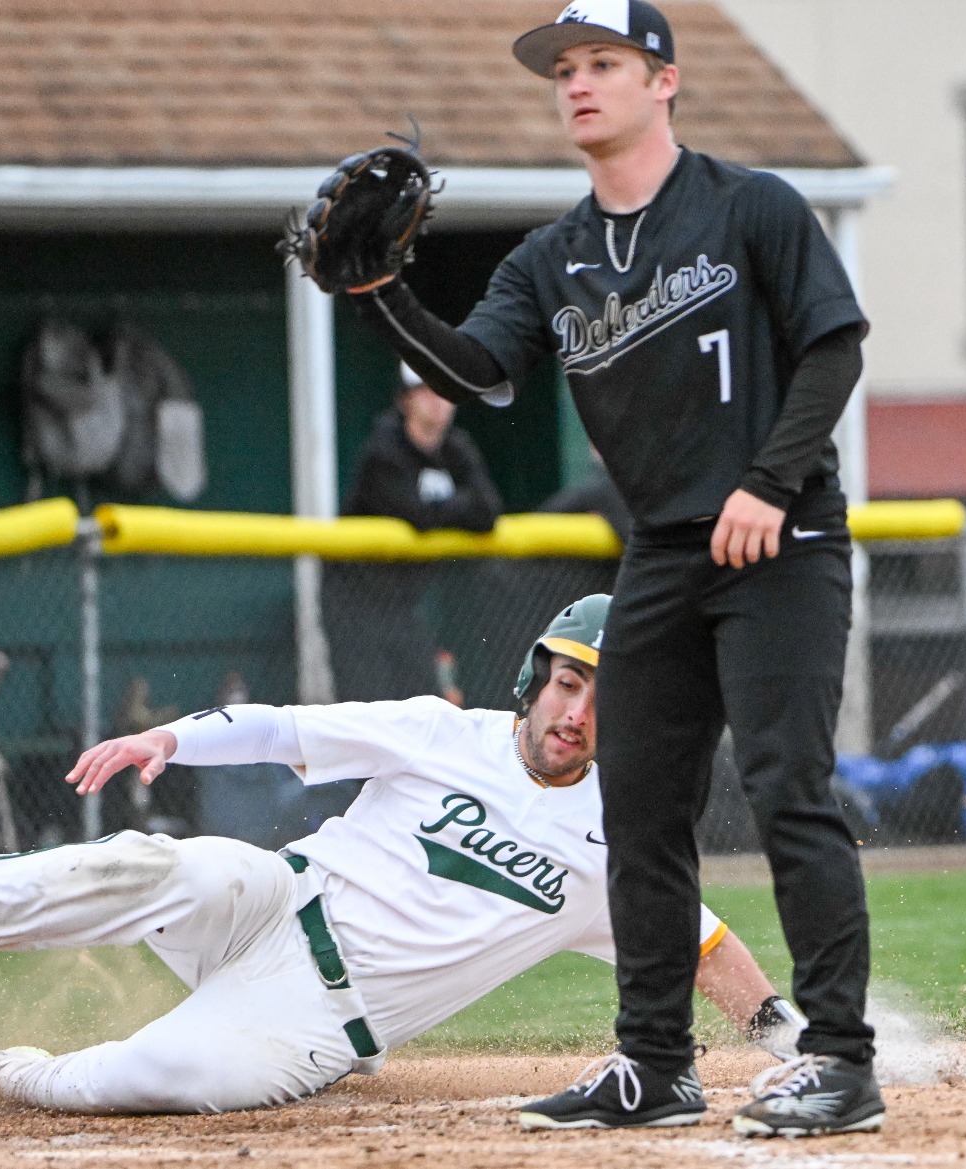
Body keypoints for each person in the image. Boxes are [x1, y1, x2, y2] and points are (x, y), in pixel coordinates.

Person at [332, 0, 880, 1137]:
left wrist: (771, 482)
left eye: (604, 63)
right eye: (565, 68)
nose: (578, 83)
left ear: (662, 80)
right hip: (666, 555)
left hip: (781, 538)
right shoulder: (555, 257)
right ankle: (654, 1065)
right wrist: (378, 295)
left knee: (787, 784)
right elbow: (480, 369)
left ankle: (838, 1056)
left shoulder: (749, 208)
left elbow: (833, 342)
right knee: (634, 807)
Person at [0, 595, 808, 1115]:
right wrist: (168, 737)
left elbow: (702, 945)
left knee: (159, 1073)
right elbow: (286, 727)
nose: (576, 709)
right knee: (171, 862)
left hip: (314, 1022)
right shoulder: (440, 730)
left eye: (603, 695)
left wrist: (794, 1041)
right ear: (535, 677)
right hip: (275, 899)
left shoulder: (617, 839)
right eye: (565, 680)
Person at [326, 366, 504, 702]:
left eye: (446, 392)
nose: (438, 401)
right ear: (406, 400)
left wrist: (441, 509)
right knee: (367, 709)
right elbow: (414, 514)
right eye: (426, 390)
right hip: (354, 597)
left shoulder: (456, 448)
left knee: (425, 704)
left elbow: (488, 511)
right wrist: (456, 506)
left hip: (403, 600)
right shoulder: (383, 448)